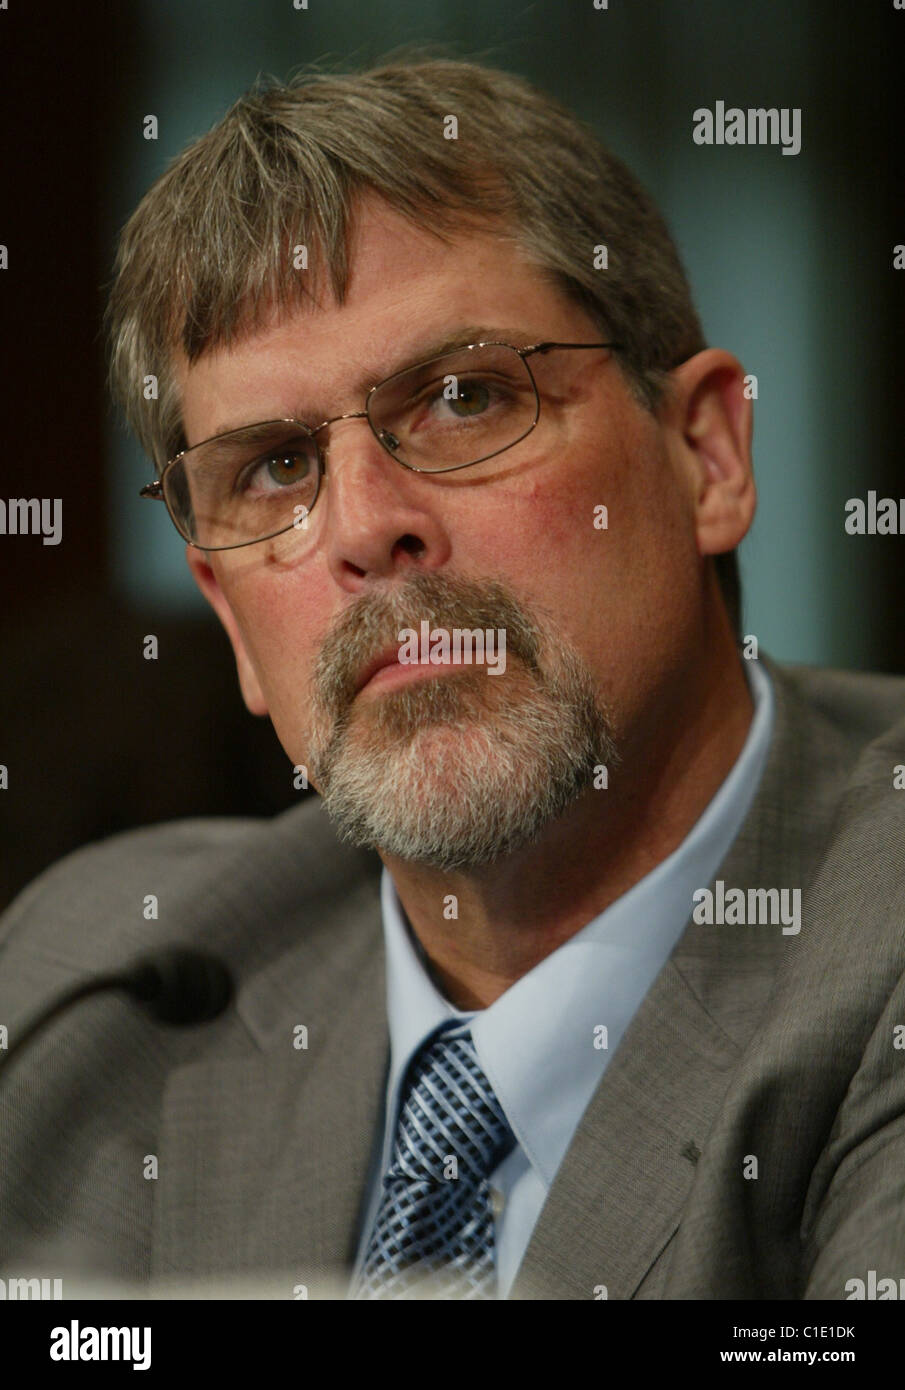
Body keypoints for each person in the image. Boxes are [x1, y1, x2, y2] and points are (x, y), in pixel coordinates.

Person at [1, 55, 904, 1302]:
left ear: (704, 454)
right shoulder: (90, 980)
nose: (367, 525)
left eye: (463, 397)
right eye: (269, 468)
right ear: (228, 615)